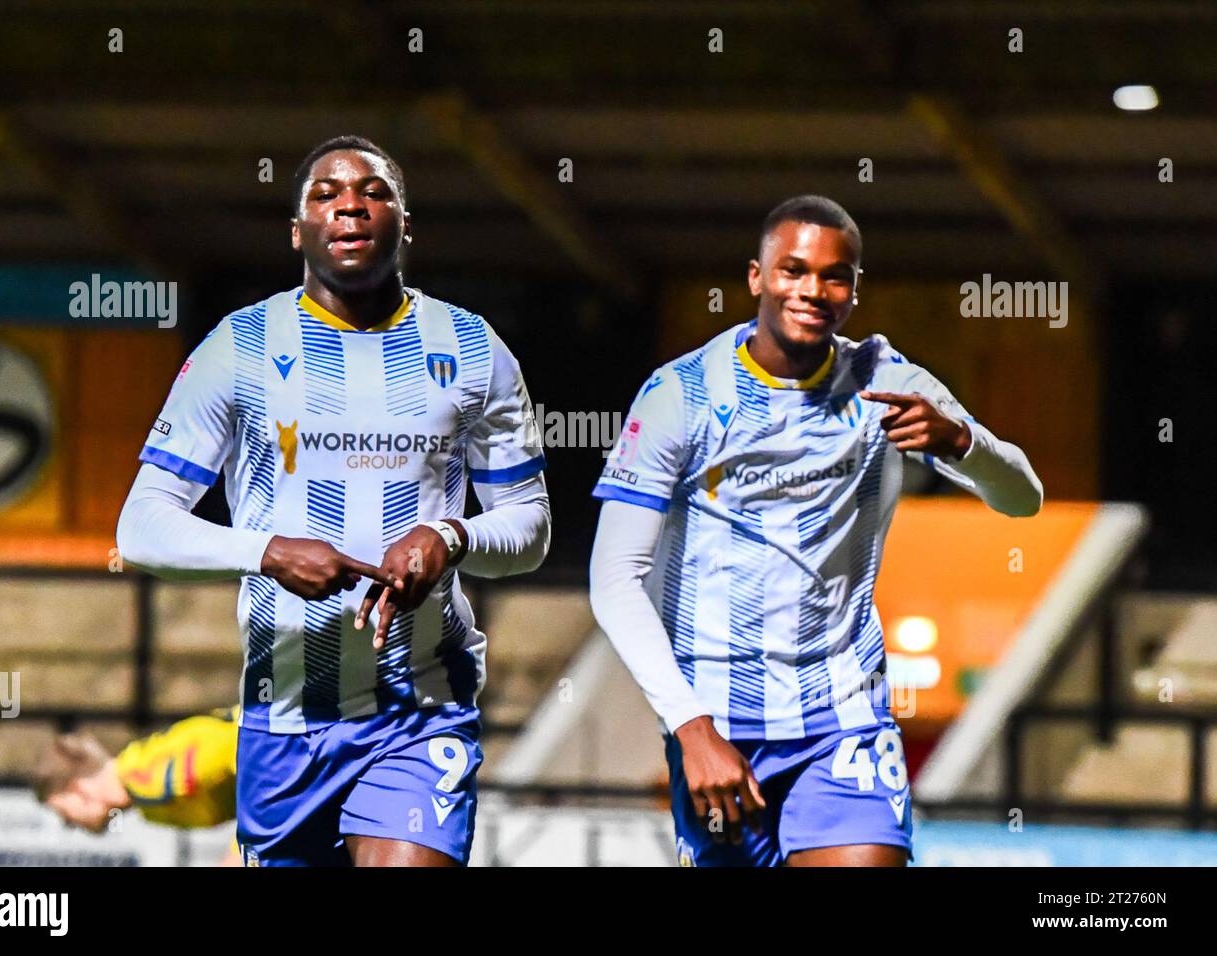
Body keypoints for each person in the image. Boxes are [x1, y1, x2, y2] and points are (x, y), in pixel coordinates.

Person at [116, 135, 550, 867]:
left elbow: (531, 527)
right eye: (326, 193)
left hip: (420, 710)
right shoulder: (238, 347)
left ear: (405, 223)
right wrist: (266, 553)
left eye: (374, 191)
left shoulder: (473, 349)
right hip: (284, 718)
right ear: (298, 231)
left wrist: (451, 536)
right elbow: (141, 528)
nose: (351, 204)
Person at [589, 195, 1042, 867]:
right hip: (719, 728)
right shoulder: (680, 394)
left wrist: (962, 442)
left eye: (834, 276)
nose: (812, 290)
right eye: (793, 270)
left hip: (844, 717)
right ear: (756, 277)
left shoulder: (886, 381)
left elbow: (1024, 498)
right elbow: (612, 577)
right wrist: (689, 727)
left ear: (854, 291)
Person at [33, 708, 241, 864]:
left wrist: (244, 855)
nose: (69, 825)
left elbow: (256, 748)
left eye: (64, 814)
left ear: (78, 790)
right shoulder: (146, 803)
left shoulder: (149, 777)